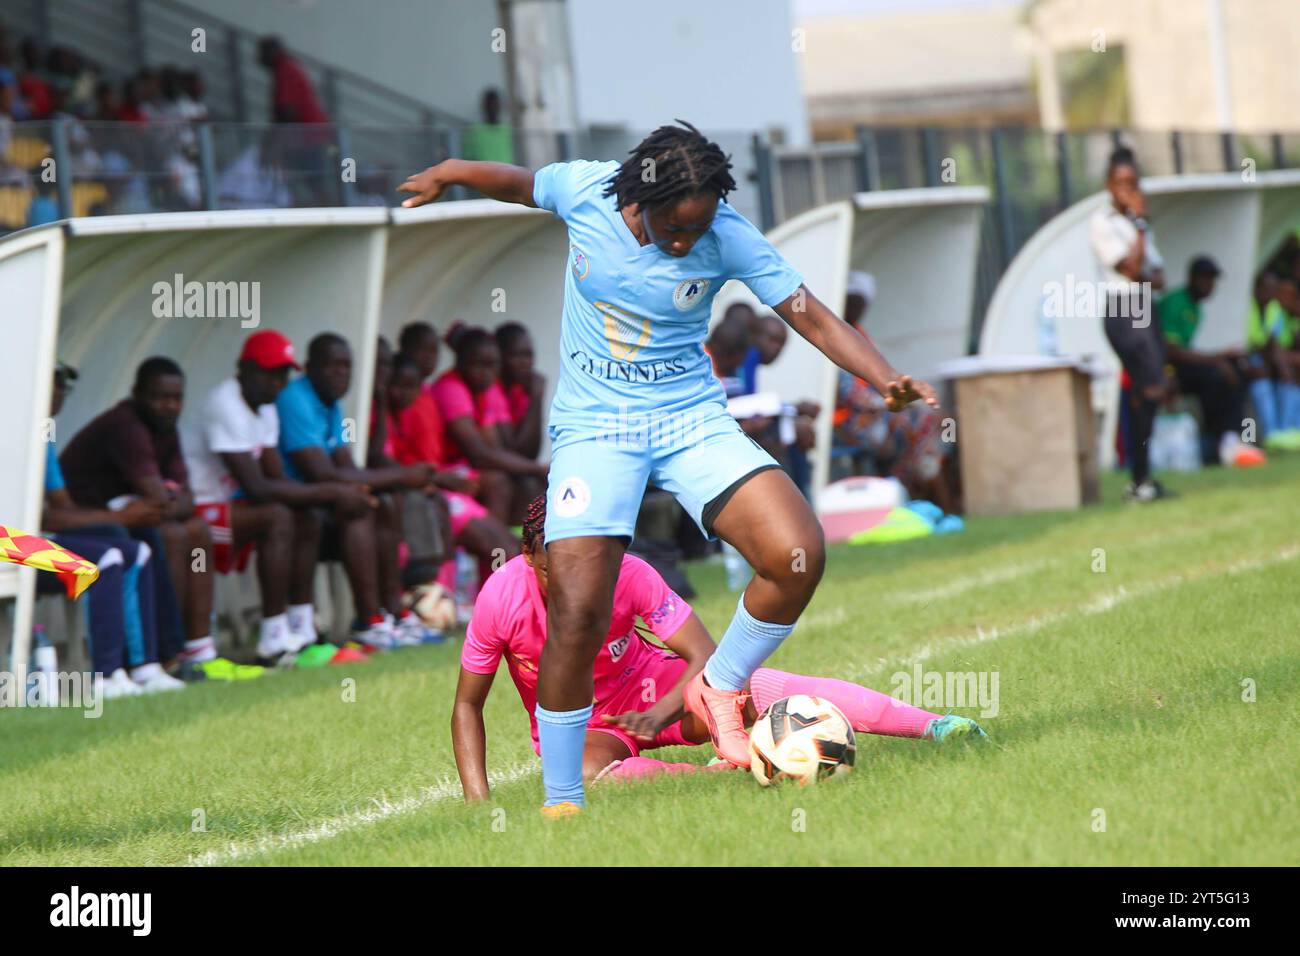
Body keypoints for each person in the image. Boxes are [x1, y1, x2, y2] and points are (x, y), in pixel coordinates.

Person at [401, 120, 937, 815]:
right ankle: (563, 802)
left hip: (690, 419)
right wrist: (451, 171)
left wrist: (883, 374)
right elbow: (519, 183)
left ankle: (718, 684)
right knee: (578, 609)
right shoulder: (586, 188)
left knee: (796, 551)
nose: (687, 243)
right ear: (637, 199)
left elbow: (810, 315)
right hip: (596, 429)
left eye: (698, 229)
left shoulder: (727, 232)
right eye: (673, 228)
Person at [452, 495, 985, 799]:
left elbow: (707, 658)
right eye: (554, 571)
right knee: (584, 776)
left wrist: (663, 708)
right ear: (527, 557)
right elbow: (467, 705)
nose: (574, 581)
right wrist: (479, 804)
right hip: (585, 726)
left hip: (655, 692)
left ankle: (934, 725)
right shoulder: (500, 600)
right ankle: (730, 773)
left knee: (759, 690)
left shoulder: (626, 574)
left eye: (584, 565)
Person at [60, 357, 263, 681]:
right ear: (137, 393)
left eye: (177, 398)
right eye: (160, 397)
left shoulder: (165, 428)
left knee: (197, 530)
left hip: (127, 522)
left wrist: (169, 502)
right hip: (86, 524)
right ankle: (166, 653)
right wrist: (167, 502)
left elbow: (184, 498)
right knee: (172, 535)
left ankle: (198, 647)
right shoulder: (125, 425)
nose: (169, 406)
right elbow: (160, 496)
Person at [183, 330, 368, 662]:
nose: (278, 382)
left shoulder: (266, 408)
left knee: (306, 514)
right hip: (199, 509)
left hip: (232, 507)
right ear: (245, 369)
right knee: (278, 516)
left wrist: (322, 496)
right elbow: (258, 487)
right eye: (269, 373)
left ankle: (301, 629)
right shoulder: (225, 403)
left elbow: (276, 476)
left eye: (283, 373)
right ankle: (273, 637)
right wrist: (333, 492)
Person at [275, 333, 434, 649]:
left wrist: (392, 481)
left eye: (346, 366)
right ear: (309, 368)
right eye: (332, 365)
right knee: (357, 506)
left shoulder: (331, 404)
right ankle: (368, 622)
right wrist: (403, 474)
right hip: (295, 504)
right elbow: (320, 473)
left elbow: (346, 467)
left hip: (320, 503)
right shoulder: (296, 398)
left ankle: (392, 611)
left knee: (385, 501)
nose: (340, 373)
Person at [40, 362, 182, 696]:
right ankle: (105, 675)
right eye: (53, 383)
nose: (59, 392)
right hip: (8, 542)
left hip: (30, 540)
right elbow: (46, 520)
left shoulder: (42, 433)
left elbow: (61, 509)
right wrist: (122, 517)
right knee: (103, 559)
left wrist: (116, 518)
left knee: (137, 551)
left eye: (63, 385)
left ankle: (145, 667)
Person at [1090, 146, 1170, 502]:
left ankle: (1140, 478)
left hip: (1146, 308)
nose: (1128, 190)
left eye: (1133, 183)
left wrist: (1139, 231)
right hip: (1125, 310)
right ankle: (1140, 476)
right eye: (1121, 183)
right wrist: (1139, 225)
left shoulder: (1139, 227)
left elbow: (1159, 277)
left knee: (1145, 392)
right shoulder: (1103, 223)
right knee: (1151, 388)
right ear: (1109, 184)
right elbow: (1134, 271)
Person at [431, 322, 549, 525]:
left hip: (463, 467)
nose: (487, 373)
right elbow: (479, 454)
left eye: (492, 365)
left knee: (524, 481)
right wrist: (537, 468)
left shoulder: (483, 392)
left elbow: (498, 449)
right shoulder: (451, 388)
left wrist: (536, 398)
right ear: (461, 363)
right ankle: (498, 552)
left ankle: (516, 546)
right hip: (443, 469)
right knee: (499, 481)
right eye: (479, 365)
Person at [1157, 256, 1264, 467]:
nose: (1210, 286)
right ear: (1192, 279)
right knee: (1216, 377)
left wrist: (1223, 358)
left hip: (1182, 365)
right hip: (1165, 369)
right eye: (1206, 279)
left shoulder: (1197, 309)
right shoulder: (1176, 302)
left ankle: (1236, 438)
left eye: (1213, 280)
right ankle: (1216, 442)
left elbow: (1186, 350)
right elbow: (1171, 351)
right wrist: (1217, 360)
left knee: (1240, 370)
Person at [1244, 271, 1300, 449]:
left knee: (1291, 375)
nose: (1270, 293)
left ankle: (1287, 430)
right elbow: (1251, 345)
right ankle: (1269, 434)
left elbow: (1276, 343)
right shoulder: (1246, 307)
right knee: (1262, 376)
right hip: (1247, 358)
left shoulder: (1275, 309)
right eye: (1267, 288)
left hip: (1268, 358)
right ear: (1256, 289)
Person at [494, 321, 547, 462]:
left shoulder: (518, 391)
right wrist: (536, 398)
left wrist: (535, 398)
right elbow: (515, 451)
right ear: (499, 355)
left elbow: (531, 453)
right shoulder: (492, 390)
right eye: (517, 355)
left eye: (529, 355)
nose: (525, 363)